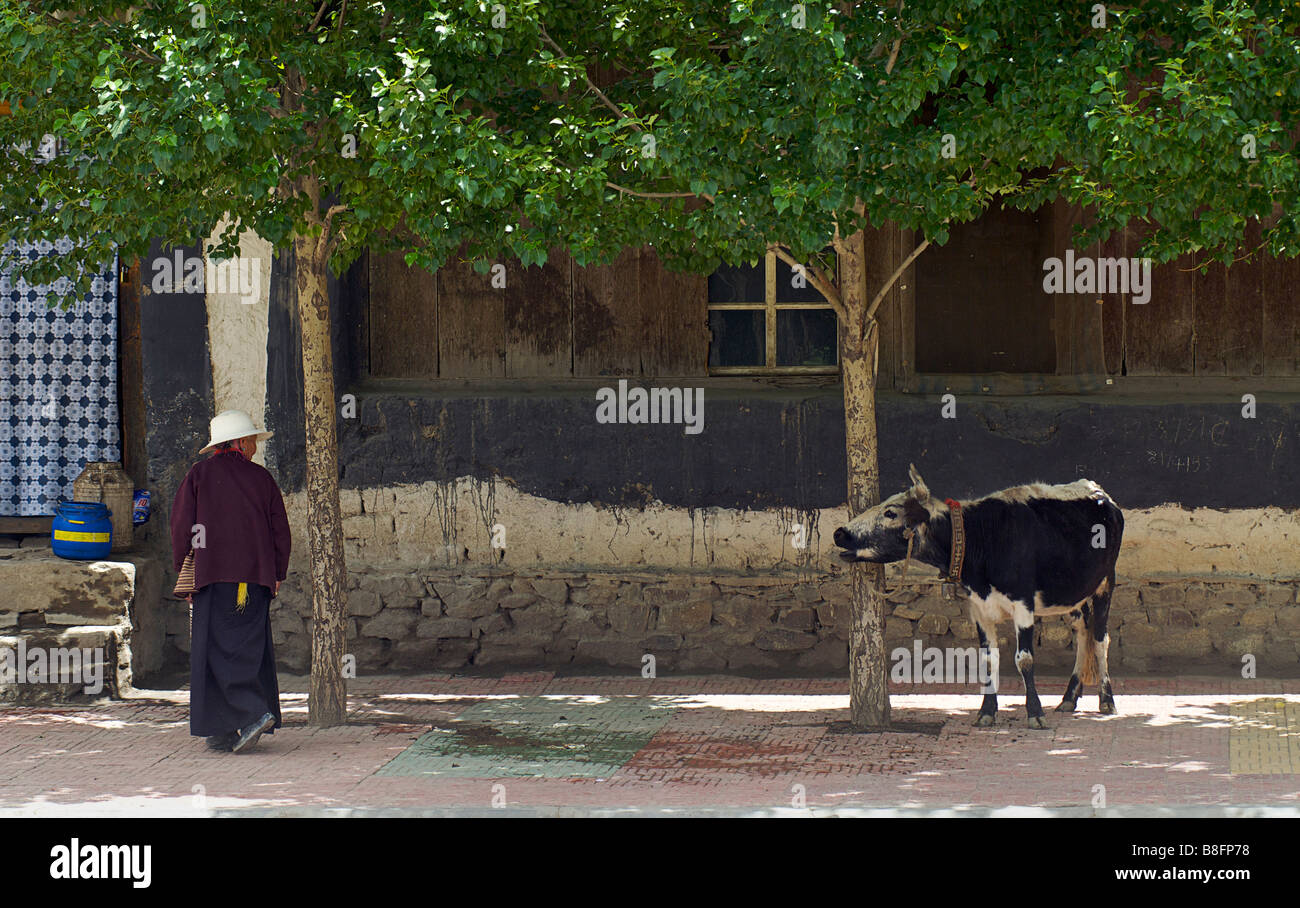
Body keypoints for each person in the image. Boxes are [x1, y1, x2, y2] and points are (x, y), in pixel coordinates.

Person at [170, 410, 291, 754]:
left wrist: (185, 568)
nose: (254, 445)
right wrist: (277, 572)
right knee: (245, 646)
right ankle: (221, 730)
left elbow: (182, 528)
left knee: (215, 649)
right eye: (251, 439)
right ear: (237, 442)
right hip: (253, 581)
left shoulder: (198, 476)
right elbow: (280, 531)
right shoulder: (260, 479)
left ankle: (253, 713)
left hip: (212, 579)